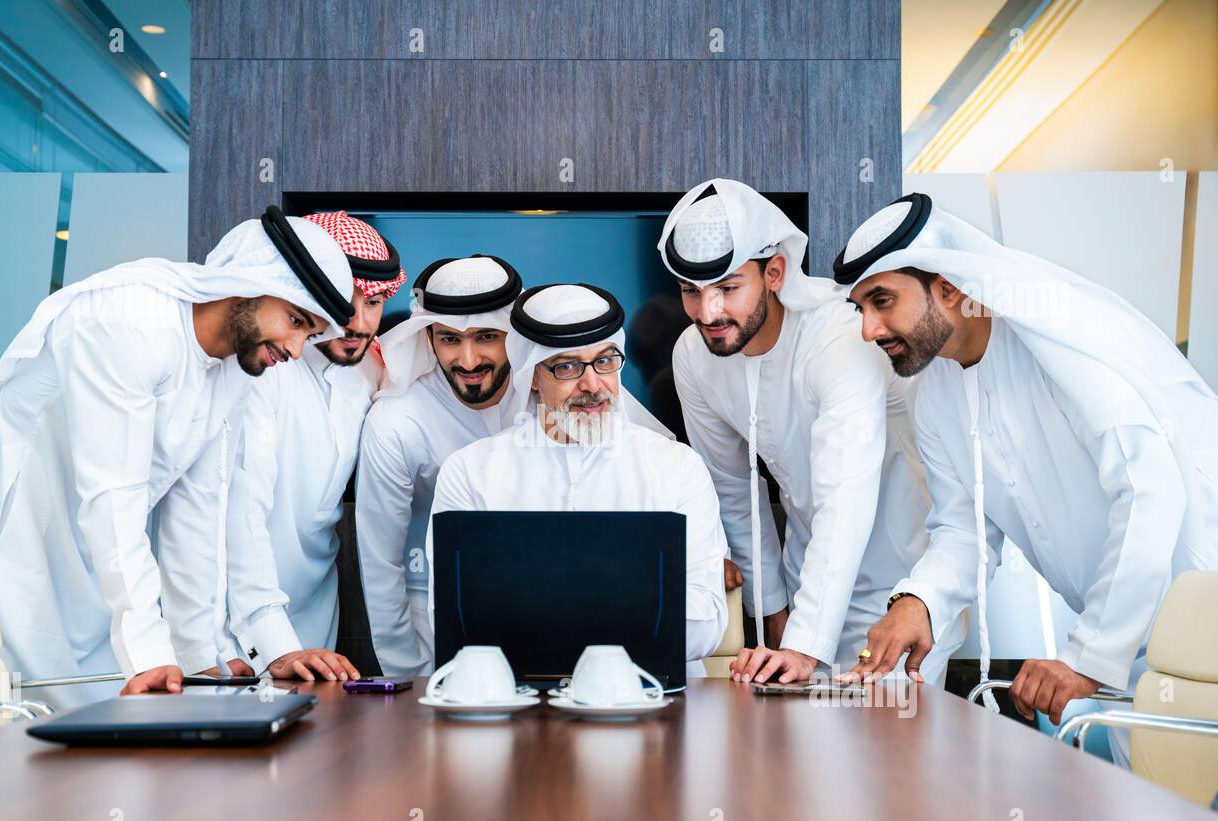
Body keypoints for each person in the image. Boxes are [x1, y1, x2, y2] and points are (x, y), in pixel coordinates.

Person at [834, 193, 1218, 760]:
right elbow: (964, 529)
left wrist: (1089, 655)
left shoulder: (1055, 340)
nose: (869, 330)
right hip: (1124, 650)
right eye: (860, 308)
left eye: (882, 301)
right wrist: (917, 601)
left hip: (1200, 631)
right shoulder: (935, 394)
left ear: (950, 286)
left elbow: (1148, 488)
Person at [0, 208, 357, 697]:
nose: (297, 348)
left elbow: (198, 511)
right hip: (14, 576)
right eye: (296, 321)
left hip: (101, 593)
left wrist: (201, 657)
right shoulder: (125, 321)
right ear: (249, 283)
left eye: (310, 333)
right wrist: (149, 652)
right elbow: (113, 499)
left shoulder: (232, 370)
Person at [658, 178, 962, 686]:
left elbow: (845, 497)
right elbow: (732, 489)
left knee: (887, 753)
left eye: (728, 289)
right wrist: (773, 608)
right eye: (691, 292)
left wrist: (803, 643)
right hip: (808, 576)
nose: (708, 313)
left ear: (774, 272)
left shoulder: (842, 337)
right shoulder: (693, 355)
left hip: (899, 585)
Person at [428, 283, 729, 664]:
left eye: (604, 361)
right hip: (520, 706)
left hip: (655, 705)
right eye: (568, 366)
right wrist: (626, 605)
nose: (592, 384)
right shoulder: (470, 473)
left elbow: (706, 624)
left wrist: (549, 610)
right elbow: (455, 622)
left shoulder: (677, 468)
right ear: (533, 376)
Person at [225, 213, 408, 683]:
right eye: (340, 302)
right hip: (229, 621)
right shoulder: (263, 366)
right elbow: (241, 509)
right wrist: (272, 639)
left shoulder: (371, 372)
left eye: (373, 304)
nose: (357, 323)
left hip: (314, 620)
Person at [355, 254, 524, 675]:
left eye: (486, 336)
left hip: (548, 604)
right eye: (449, 339)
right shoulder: (396, 421)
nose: (467, 361)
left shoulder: (552, 389)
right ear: (428, 338)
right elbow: (381, 562)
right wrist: (405, 673)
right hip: (432, 611)